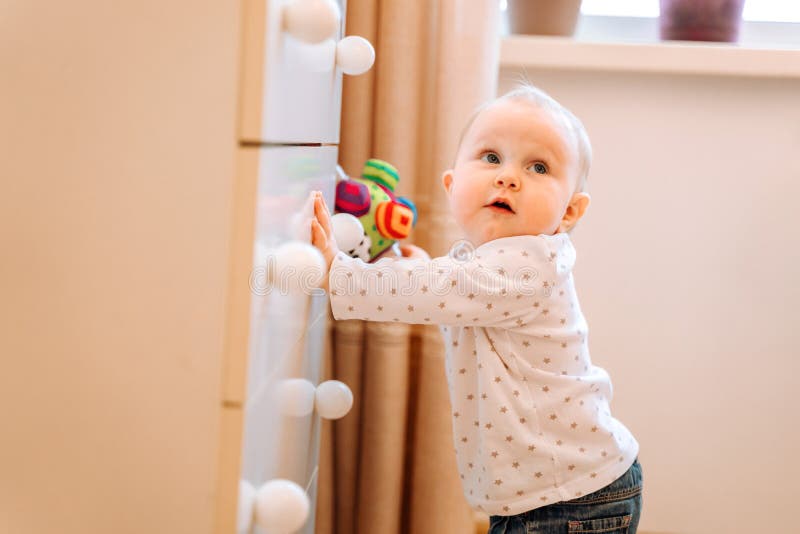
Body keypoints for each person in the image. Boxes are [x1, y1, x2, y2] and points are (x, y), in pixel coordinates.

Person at [310, 84, 643, 533]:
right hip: (550, 494)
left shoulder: (528, 264)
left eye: (538, 167)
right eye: (491, 157)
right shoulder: (491, 265)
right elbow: (455, 288)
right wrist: (422, 266)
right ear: (451, 186)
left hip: (571, 500)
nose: (508, 177)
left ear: (569, 213)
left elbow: (446, 288)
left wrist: (338, 271)